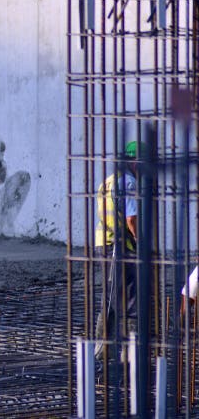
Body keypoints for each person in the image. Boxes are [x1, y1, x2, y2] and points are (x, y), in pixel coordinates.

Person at [94, 140, 141, 359]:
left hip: (105, 244)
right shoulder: (129, 182)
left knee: (112, 297)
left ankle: (105, 351)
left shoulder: (109, 181)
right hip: (119, 247)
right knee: (129, 301)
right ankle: (129, 356)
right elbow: (132, 218)